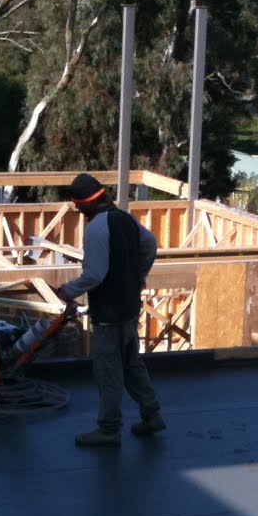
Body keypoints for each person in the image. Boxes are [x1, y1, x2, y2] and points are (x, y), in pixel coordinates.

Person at [54, 173, 165, 447]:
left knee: (108, 370)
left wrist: (68, 290)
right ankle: (152, 414)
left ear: (87, 202)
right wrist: (138, 276)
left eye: (77, 204)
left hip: (108, 313)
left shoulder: (96, 229)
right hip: (129, 308)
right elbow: (150, 244)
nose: (76, 208)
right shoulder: (125, 219)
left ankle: (109, 429)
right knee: (131, 364)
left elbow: (95, 274)